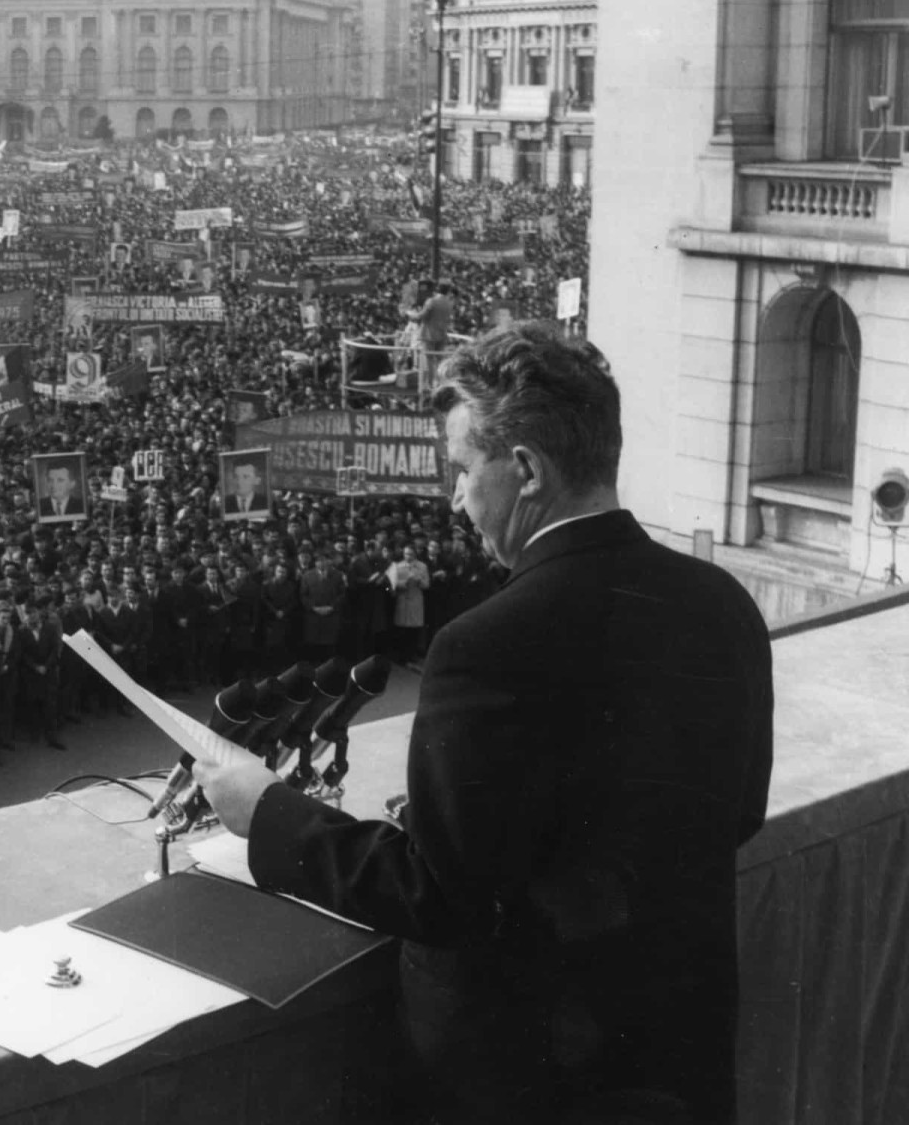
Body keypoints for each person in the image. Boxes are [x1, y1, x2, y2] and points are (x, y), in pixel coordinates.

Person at [196, 323, 774, 1124]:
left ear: (527, 470)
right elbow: (731, 813)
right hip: (677, 1053)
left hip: (526, 1081)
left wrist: (268, 814)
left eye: (464, 469)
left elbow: (440, 897)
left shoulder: (484, 644)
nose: (455, 498)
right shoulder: (723, 604)